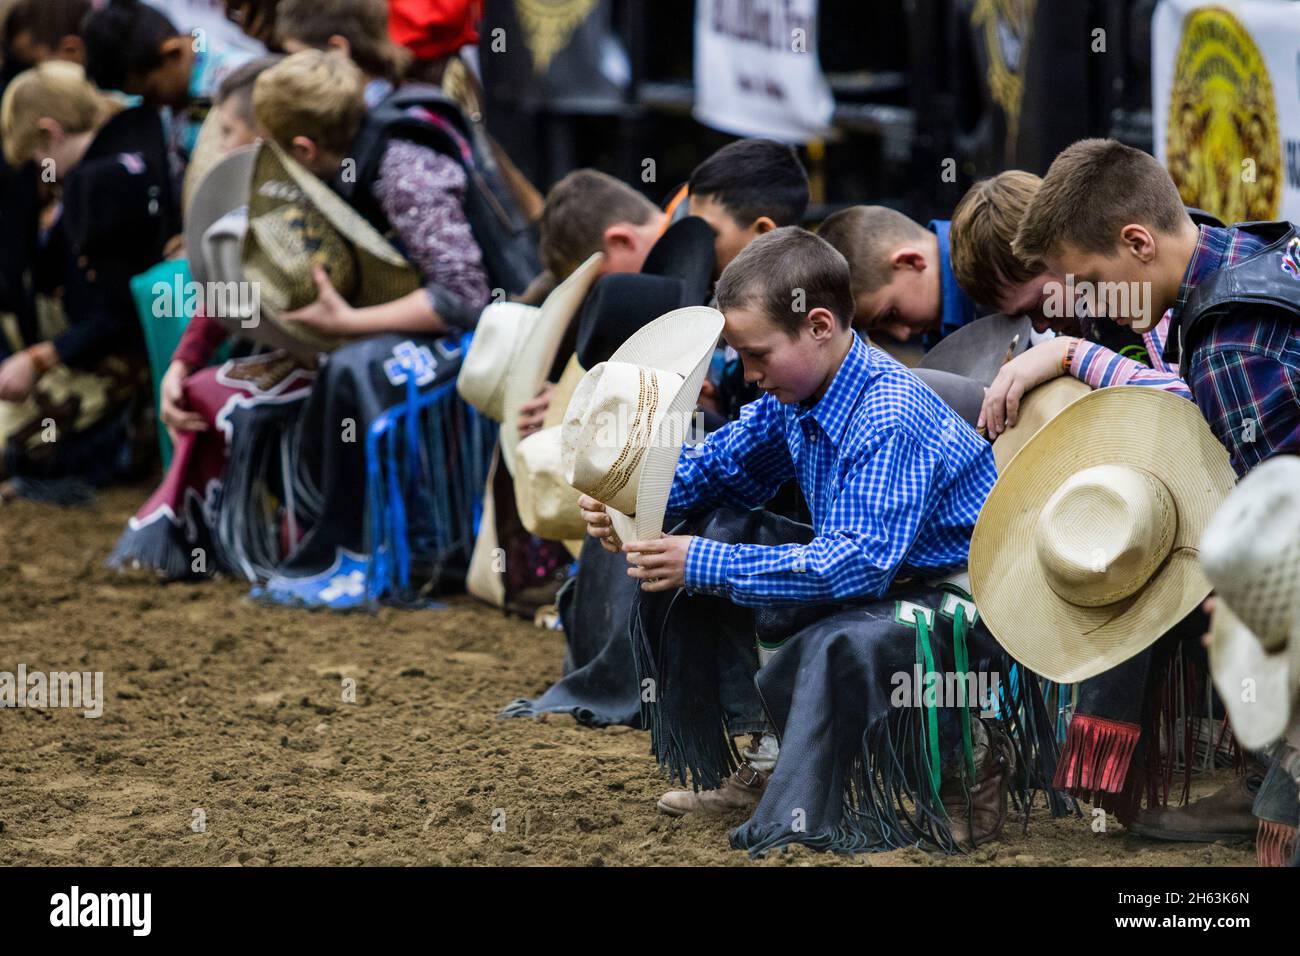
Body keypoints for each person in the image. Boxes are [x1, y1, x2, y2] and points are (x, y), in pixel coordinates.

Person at [576, 228, 1056, 852]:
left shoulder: (889, 415)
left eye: (757, 355)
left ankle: (971, 768)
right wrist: (630, 497)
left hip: (967, 598)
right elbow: (719, 467)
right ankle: (770, 751)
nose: (748, 375)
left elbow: (854, 568)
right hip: (887, 572)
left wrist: (700, 561)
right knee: (705, 537)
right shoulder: (797, 394)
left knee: (831, 631)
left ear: (819, 326)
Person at [1013, 136, 1300, 858]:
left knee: (1283, 832)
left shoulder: (1229, 346)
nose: (1087, 301)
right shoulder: (1250, 251)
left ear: (1138, 242)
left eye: (1090, 279)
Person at [0, 61, 172, 495]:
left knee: (15, 441)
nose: (41, 169)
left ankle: (124, 439)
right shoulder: (128, 149)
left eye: (37, 158)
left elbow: (116, 311)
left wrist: (38, 358)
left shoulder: (96, 184)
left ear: (49, 133)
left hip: (116, 360)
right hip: (97, 349)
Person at [817, 204, 975, 346]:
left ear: (911, 261)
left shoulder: (993, 267)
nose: (902, 335)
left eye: (891, 315)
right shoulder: (940, 336)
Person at [275, 0, 410, 107]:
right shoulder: (403, 103)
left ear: (337, 51)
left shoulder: (362, 123)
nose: (289, 67)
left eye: (295, 56)